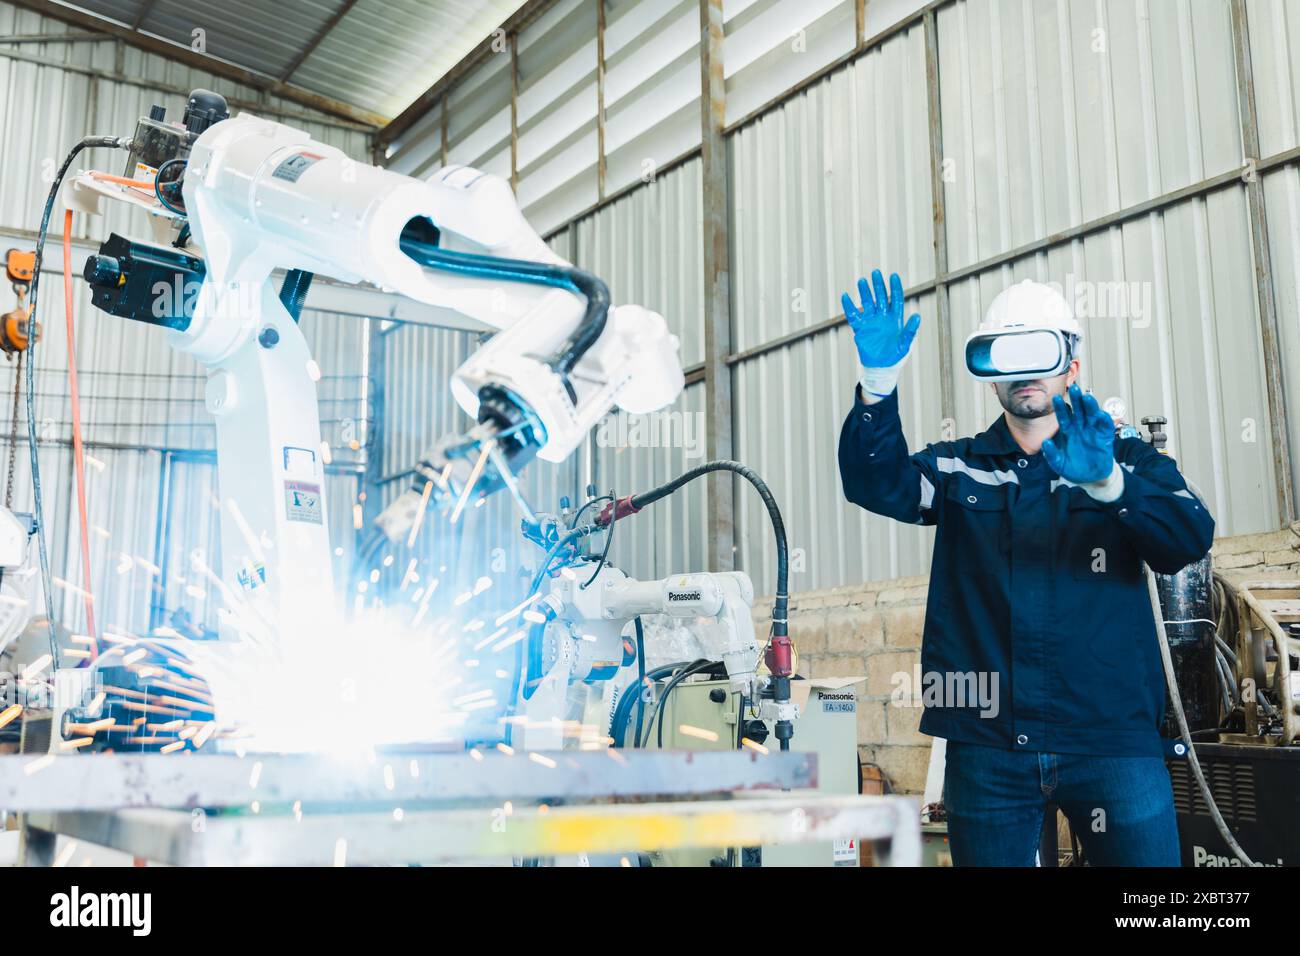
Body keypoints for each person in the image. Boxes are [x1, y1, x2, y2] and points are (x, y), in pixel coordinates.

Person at [838, 270, 1214, 866]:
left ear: (1073, 364)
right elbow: (873, 483)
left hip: (1111, 741)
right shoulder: (960, 469)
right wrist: (877, 384)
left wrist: (1109, 483)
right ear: (991, 376)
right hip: (988, 748)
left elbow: (1188, 538)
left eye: (1041, 352)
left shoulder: (1126, 461)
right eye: (1007, 356)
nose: (1027, 373)